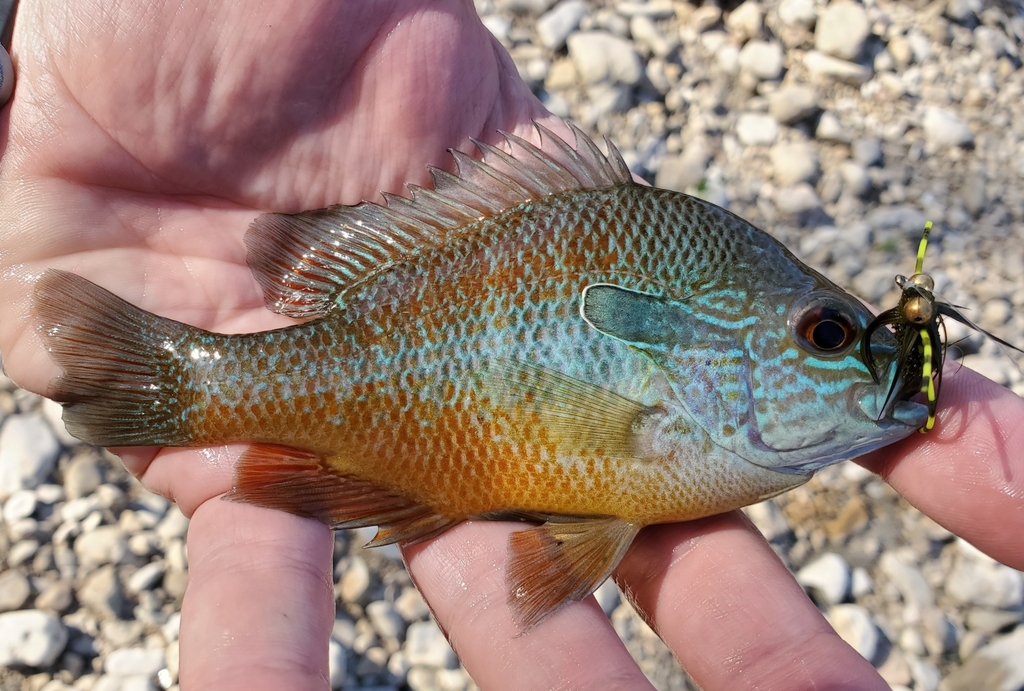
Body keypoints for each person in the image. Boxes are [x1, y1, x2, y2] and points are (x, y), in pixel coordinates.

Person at [1, 2, 1021, 689]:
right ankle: (187, 385)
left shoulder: (697, 426)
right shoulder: (687, 435)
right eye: (826, 334)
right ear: (703, 349)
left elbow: (580, 508)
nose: (860, 354)